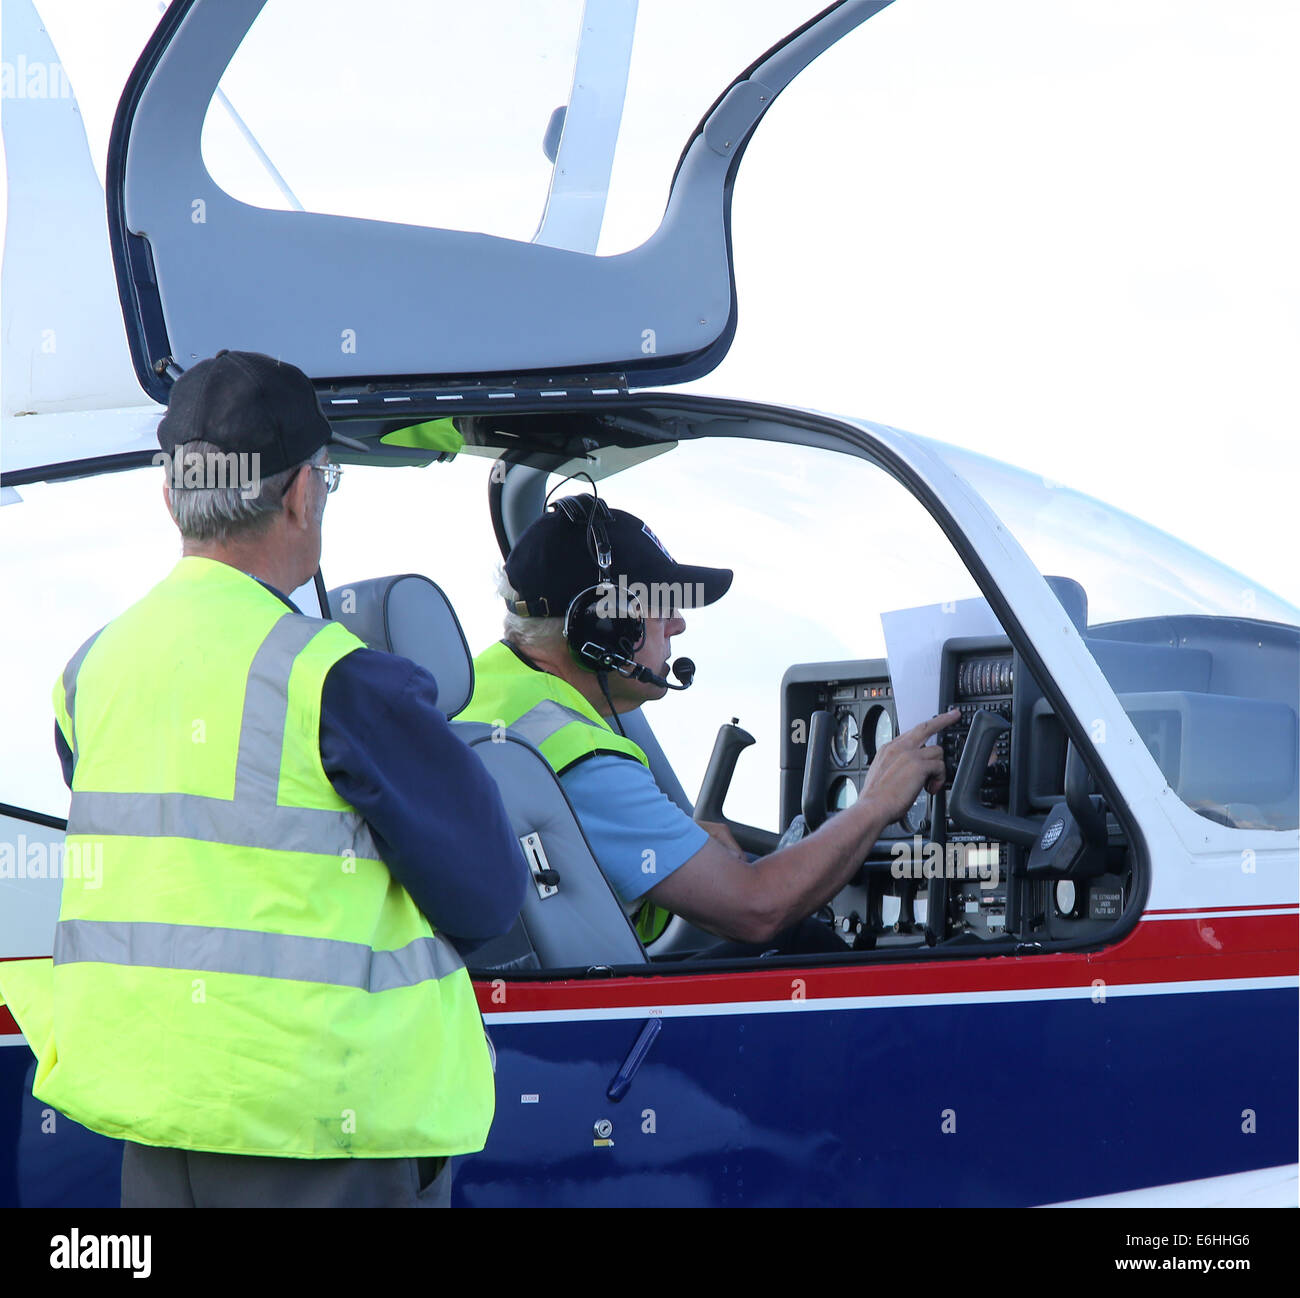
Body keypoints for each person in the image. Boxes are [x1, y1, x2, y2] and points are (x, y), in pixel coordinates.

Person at [0, 351, 528, 1208]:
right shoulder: (341, 680)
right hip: (317, 1126)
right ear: (301, 495)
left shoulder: (90, 671)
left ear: (172, 499)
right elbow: (488, 897)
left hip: (157, 1123)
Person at [459, 492, 960, 954]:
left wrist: (674, 844)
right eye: (660, 605)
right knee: (797, 940)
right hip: (576, 1026)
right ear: (603, 626)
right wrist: (874, 805)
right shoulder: (575, 750)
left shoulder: (478, 691)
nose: (677, 623)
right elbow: (757, 908)